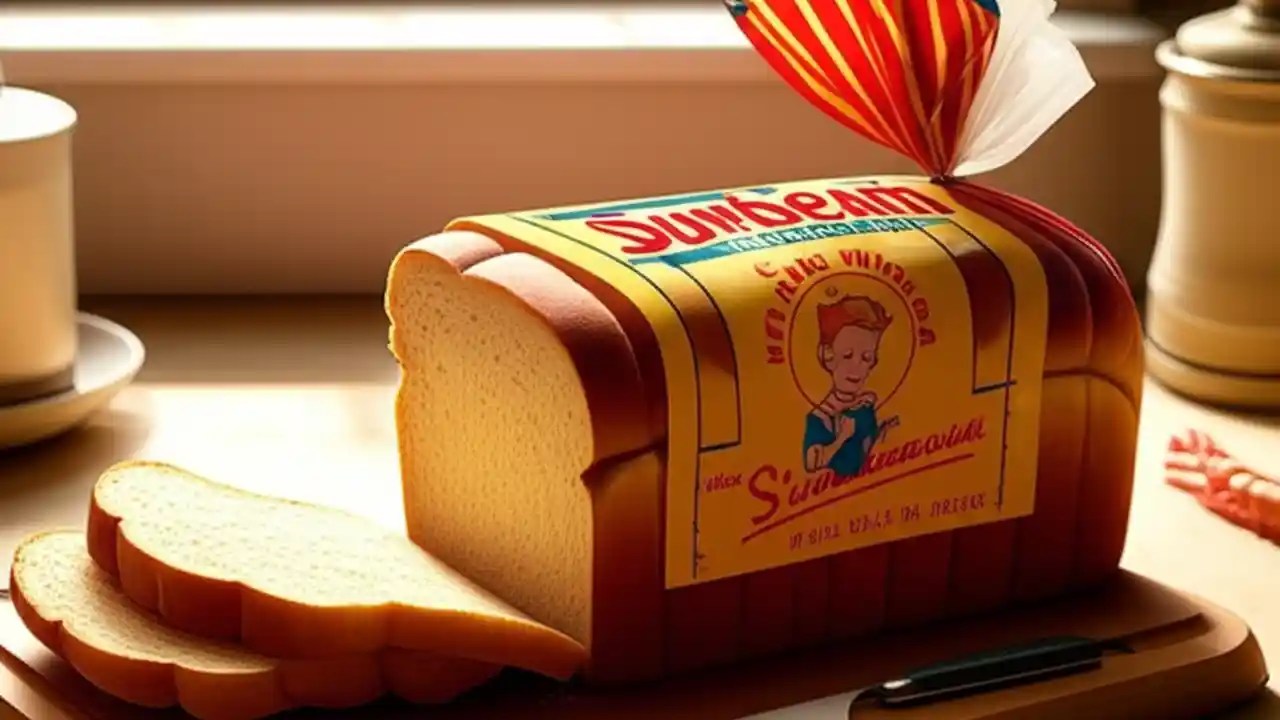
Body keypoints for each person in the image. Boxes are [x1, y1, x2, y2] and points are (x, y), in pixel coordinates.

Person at [803, 294, 900, 476]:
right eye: (847, 355)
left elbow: (865, 451)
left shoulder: (864, 406)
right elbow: (811, 463)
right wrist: (842, 438)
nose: (857, 367)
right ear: (828, 355)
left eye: (866, 358)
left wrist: (883, 432)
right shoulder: (820, 418)